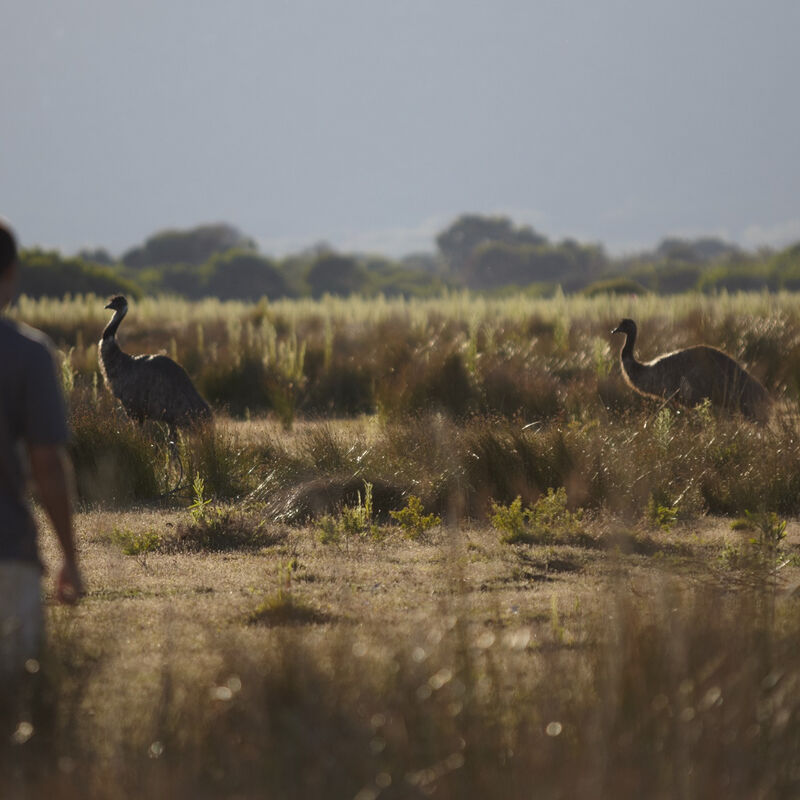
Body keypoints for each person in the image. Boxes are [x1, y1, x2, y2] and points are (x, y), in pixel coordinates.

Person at [0, 219, 83, 688]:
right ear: (10, 273)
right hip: (7, 549)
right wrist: (69, 556)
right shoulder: (29, 353)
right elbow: (46, 464)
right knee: (17, 699)